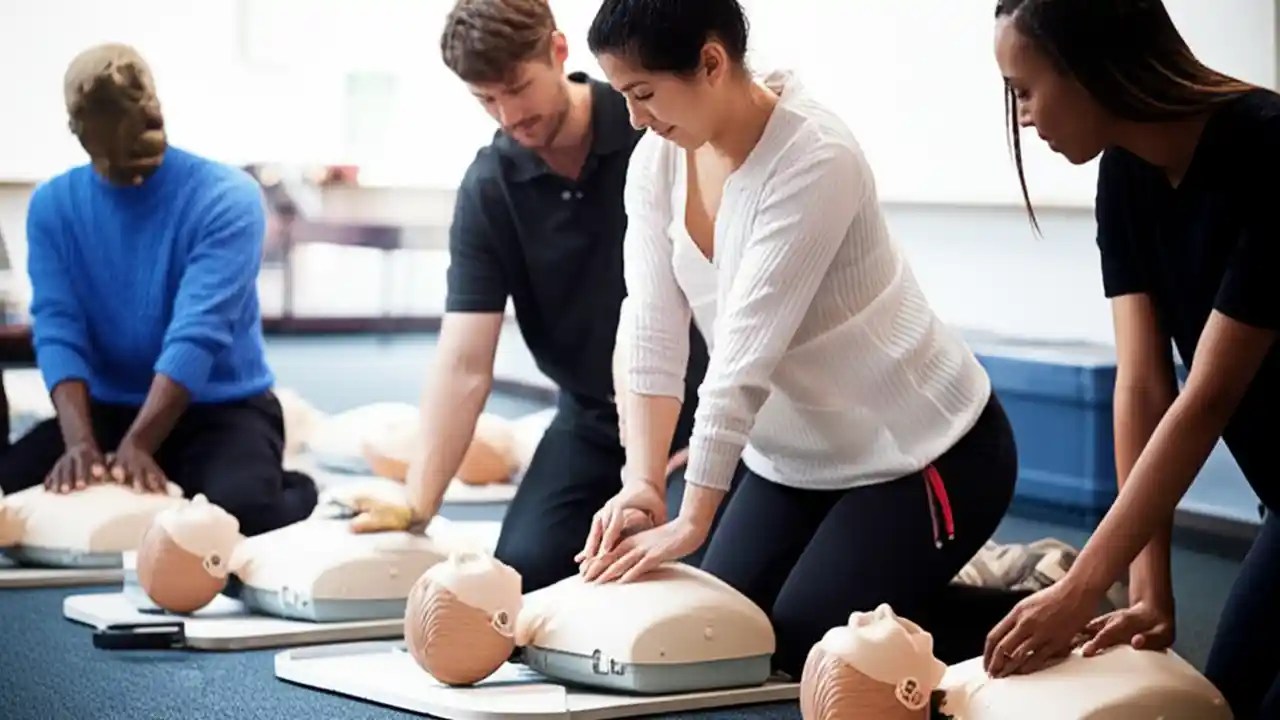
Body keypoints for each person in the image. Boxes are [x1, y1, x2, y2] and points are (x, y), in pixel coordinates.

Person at [576, 0, 1025, 679]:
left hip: (922, 453)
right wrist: (641, 482)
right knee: (725, 631)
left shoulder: (814, 156)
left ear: (710, 62)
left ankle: (1052, 605)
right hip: (792, 460)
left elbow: (742, 357)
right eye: (623, 97)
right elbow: (649, 324)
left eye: (643, 94)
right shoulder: (656, 163)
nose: (635, 118)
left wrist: (694, 518)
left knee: (810, 644)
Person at [985, 1, 1279, 715]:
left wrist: (1083, 585)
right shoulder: (1124, 175)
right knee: (1223, 701)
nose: (1023, 117)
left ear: (1088, 65)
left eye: (1025, 90)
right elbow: (1144, 386)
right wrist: (1148, 590)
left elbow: (1206, 396)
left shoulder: (1269, 147)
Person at [389, 0, 714, 593]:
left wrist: (722, 441)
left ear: (558, 51)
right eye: (486, 99)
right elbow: (464, 364)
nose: (509, 114)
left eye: (518, 88)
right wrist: (416, 507)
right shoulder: (490, 187)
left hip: (703, 415)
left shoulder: (653, 125)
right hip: (591, 418)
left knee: (689, 578)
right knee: (523, 571)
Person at [1, 43, 317, 537]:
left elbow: (197, 334)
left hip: (219, 408)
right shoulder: (53, 205)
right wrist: (80, 444)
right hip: (106, 409)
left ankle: (297, 484)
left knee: (241, 513)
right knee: (12, 484)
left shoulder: (226, 197)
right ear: (77, 129)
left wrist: (141, 443)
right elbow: (58, 327)